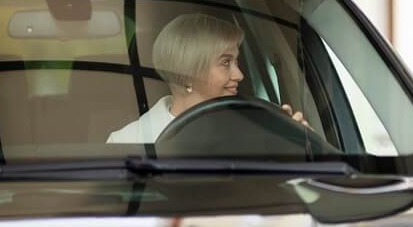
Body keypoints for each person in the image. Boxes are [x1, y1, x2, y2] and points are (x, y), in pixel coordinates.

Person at [107, 13, 306, 143]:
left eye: (237, 62)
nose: (240, 75)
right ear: (187, 74)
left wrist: (298, 142)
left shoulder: (260, 126)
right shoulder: (127, 142)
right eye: (226, 63)